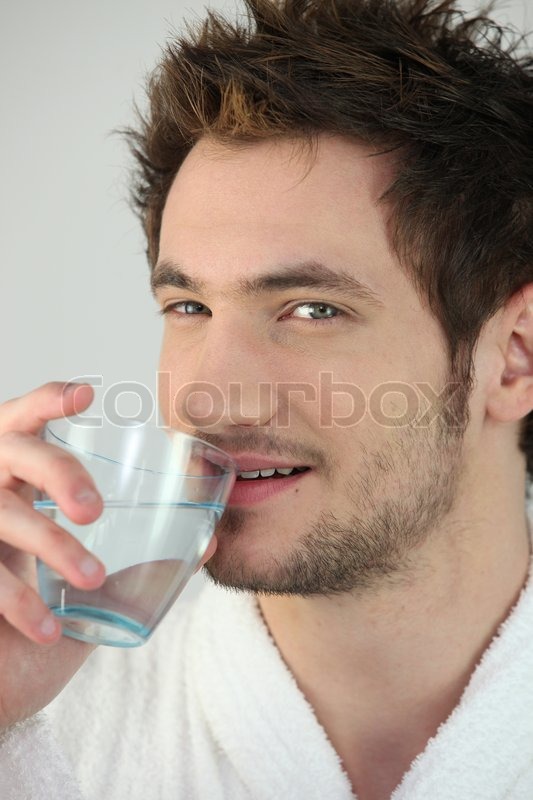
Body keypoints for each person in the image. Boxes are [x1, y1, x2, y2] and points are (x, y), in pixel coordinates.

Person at [1, 0, 533, 797]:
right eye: (189, 306)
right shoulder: (46, 709)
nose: (209, 400)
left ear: (514, 356)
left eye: (312, 310)